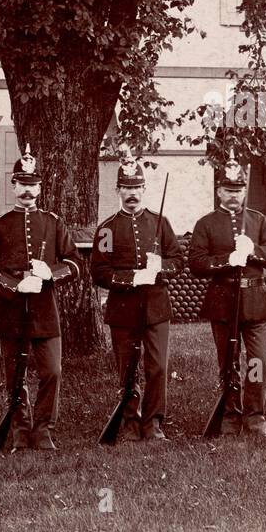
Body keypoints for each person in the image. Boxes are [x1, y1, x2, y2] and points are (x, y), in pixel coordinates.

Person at [0, 144, 82, 451]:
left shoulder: (53, 222)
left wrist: (50, 272)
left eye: (33, 184)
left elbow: (75, 263)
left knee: (52, 371)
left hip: (44, 309)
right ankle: (21, 431)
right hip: (10, 310)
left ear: (40, 188)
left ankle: (44, 429)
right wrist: (15, 286)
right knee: (15, 375)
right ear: (13, 186)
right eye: (22, 184)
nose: (27, 190)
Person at [188, 152, 266, 436]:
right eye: (228, 190)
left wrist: (253, 251)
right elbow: (196, 263)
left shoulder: (258, 220)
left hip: (255, 302)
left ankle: (255, 416)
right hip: (223, 301)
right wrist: (227, 260)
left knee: (257, 361)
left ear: (244, 191)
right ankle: (231, 414)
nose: (234, 195)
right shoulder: (206, 224)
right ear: (219, 191)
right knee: (228, 362)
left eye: (238, 190)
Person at [90, 157, 185, 441]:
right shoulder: (107, 229)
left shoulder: (160, 222)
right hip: (123, 309)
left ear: (144, 189)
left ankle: (153, 422)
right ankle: (131, 421)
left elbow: (178, 260)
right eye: (126, 188)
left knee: (158, 367)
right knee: (128, 369)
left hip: (156, 307)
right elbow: (99, 272)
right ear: (118, 190)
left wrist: (160, 267)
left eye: (136, 187)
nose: (132, 193)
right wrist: (131, 278)